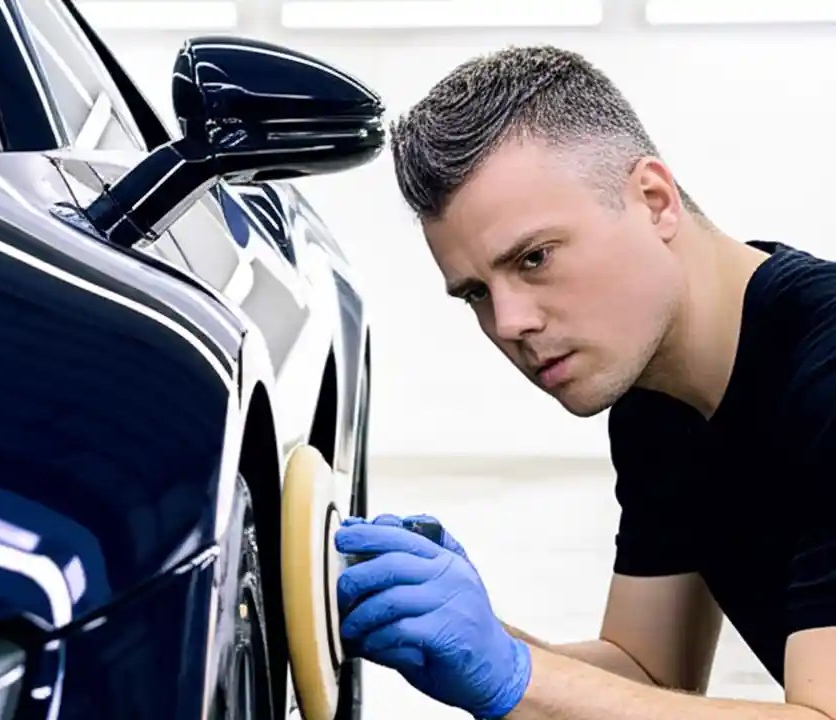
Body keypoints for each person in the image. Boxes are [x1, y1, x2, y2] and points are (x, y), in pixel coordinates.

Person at [334, 44, 836, 719]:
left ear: (654, 201)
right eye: (475, 293)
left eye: (534, 258)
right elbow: (647, 672)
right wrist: (464, 634)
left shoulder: (825, 372)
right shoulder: (656, 403)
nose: (509, 322)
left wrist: (512, 672)